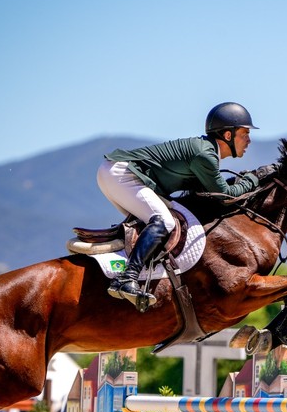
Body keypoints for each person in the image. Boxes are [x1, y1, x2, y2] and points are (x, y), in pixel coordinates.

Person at [97, 102, 275, 309]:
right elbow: (225, 196)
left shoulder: (207, 152)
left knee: (158, 223)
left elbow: (209, 192)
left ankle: (132, 274)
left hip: (116, 173)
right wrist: (255, 178)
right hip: (122, 174)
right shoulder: (205, 155)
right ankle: (127, 278)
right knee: (163, 221)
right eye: (245, 133)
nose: (249, 140)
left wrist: (245, 181)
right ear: (228, 135)